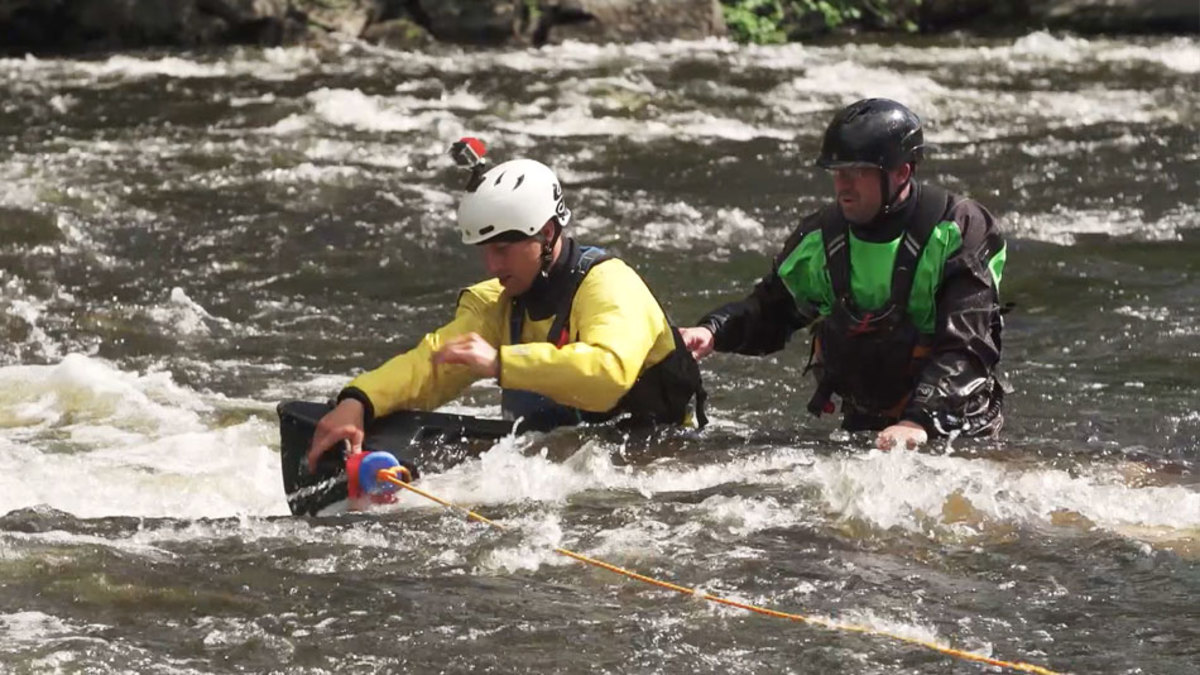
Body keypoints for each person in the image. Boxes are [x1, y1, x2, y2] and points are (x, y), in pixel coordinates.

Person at [307, 153, 706, 472]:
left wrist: (501, 363)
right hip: (565, 461)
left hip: (660, 462)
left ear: (547, 234)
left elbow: (608, 373)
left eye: (503, 249)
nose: (492, 266)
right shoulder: (499, 301)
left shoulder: (611, 285)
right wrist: (359, 401)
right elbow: (432, 364)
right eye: (485, 251)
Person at [679, 98, 1007, 451]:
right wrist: (713, 329)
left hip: (956, 423)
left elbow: (965, 346)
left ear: (902, 172)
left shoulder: (958, 231)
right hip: (866, 425)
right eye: (837, 173)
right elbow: (770, 313)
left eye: (858, 172)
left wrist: (919, 420)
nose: (843, 186)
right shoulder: (822, 239)